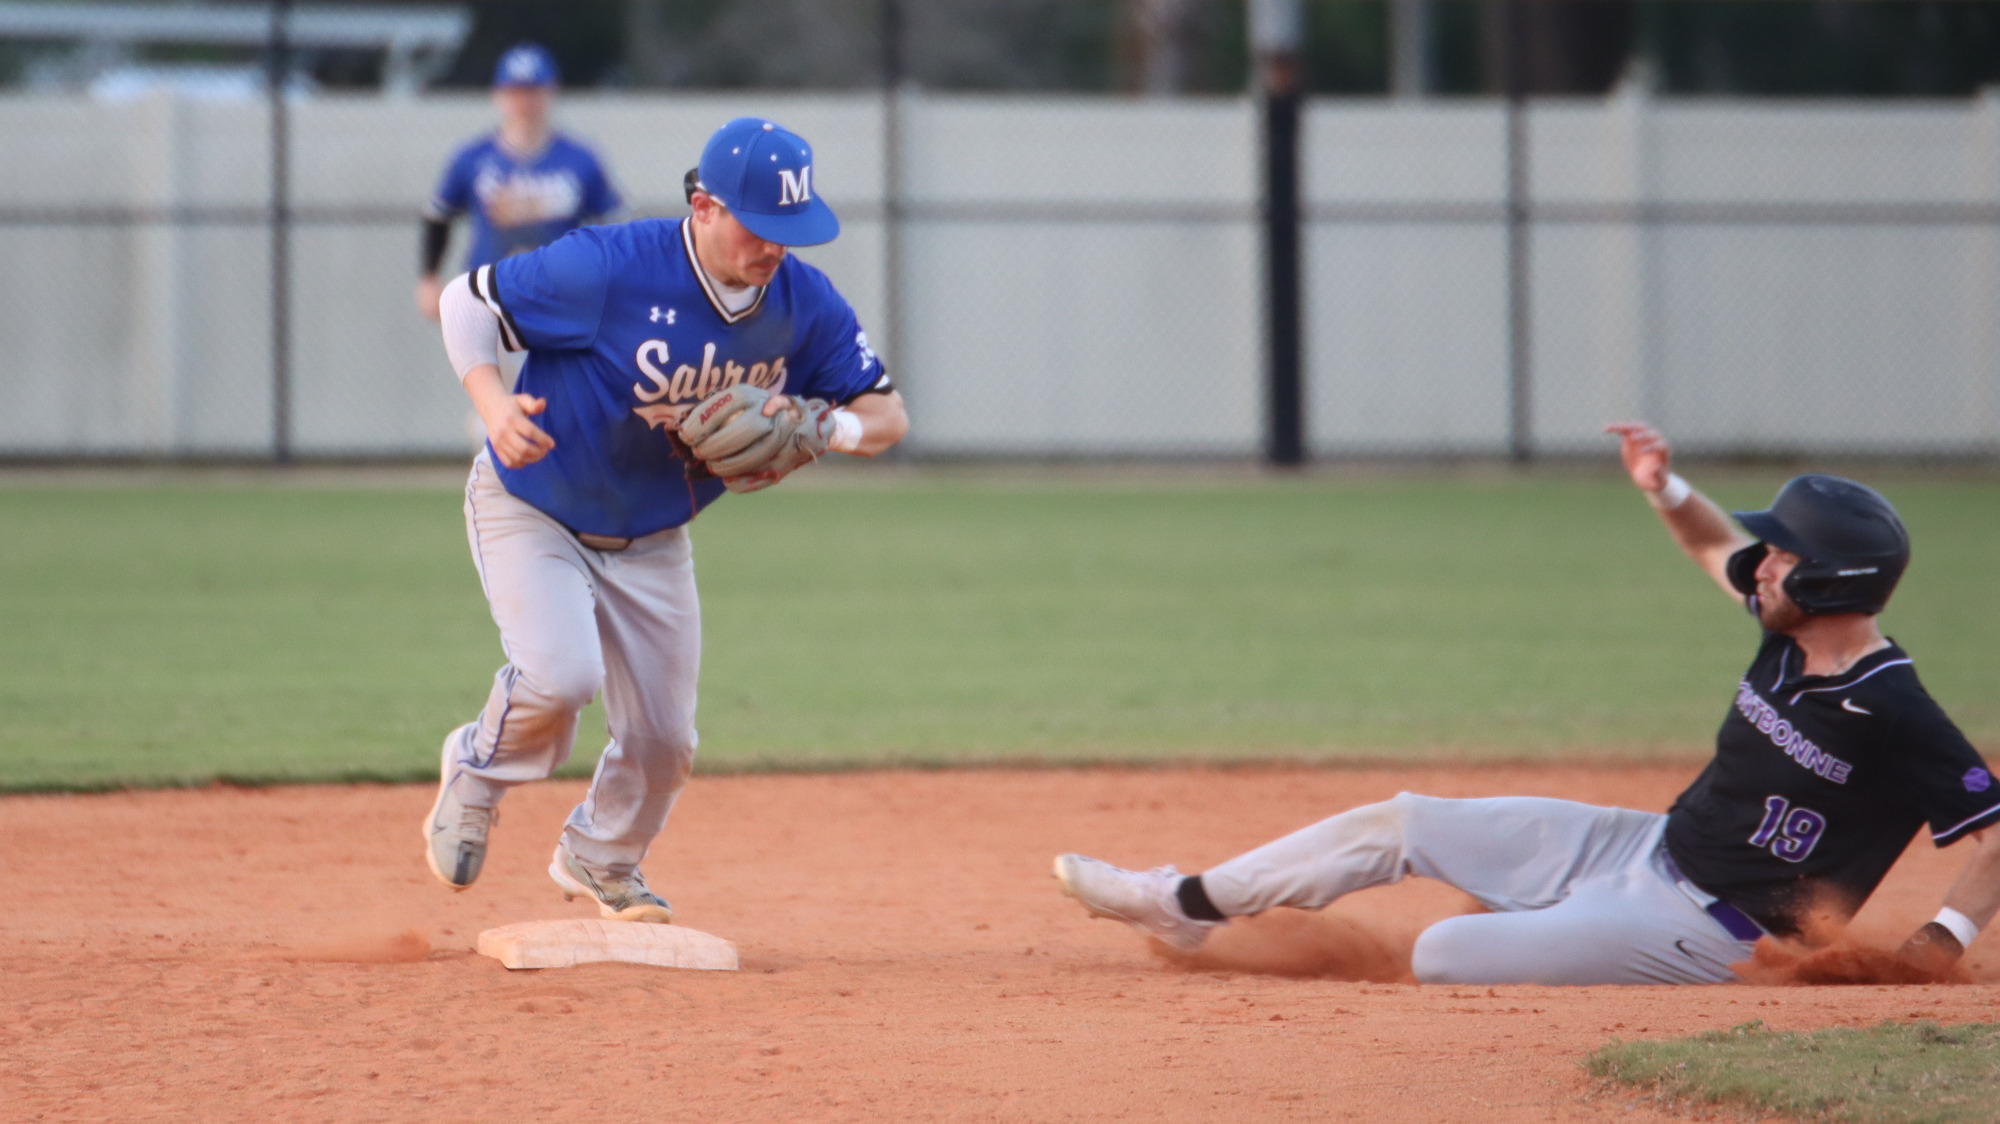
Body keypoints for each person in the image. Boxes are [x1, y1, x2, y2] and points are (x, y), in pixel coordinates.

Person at [1053, 423, 2000, 984]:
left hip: (1710, 936)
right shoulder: (1788, 632)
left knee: (1443, 951)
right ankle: (1183, 904)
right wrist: (1663, 486)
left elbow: (1993, 833)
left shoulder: (1893, 704)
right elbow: (1712, 548)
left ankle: (1555, 926)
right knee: (1402, 821)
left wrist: (1938, 943)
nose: (1764, 564)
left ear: (1836, 581)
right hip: (1644, 848)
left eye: (1787, 555)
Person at [422, 116, 907, 922]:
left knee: (665, 742)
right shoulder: (607, 266)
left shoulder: (803, 303)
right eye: (761, 225)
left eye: (792, 228)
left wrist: (829, 427)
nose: (776, 247)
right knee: (561, 676)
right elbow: (463, 303)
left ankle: (601, 856)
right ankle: (474, 774)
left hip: (651, 537)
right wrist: (493, 401)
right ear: (705, 204)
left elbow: (887, 415)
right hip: (534, 504)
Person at [415, 43, 622, 322]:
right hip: (488, 293)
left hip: (560, 295)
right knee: (486, 364)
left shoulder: (579, 159)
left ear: (551, 92)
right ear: (498, 95)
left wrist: (609, 281)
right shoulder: (474, 158)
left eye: (533, 91)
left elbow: (613, 223)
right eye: (516, 92)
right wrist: (429, 278)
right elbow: (438, 215)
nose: (525, 102)